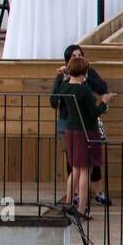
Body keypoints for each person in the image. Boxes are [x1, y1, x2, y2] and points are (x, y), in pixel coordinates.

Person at [50, 54, 113, 216]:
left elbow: (62, 83)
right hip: (86, 131)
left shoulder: (65, 87)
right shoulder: (84, 91)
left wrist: (63, 73)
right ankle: (81, 208)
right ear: (83, 72)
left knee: (75, 169)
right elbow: (93, 113)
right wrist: (105, 102)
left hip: (71, 130)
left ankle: (69, 203)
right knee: (86, 170)